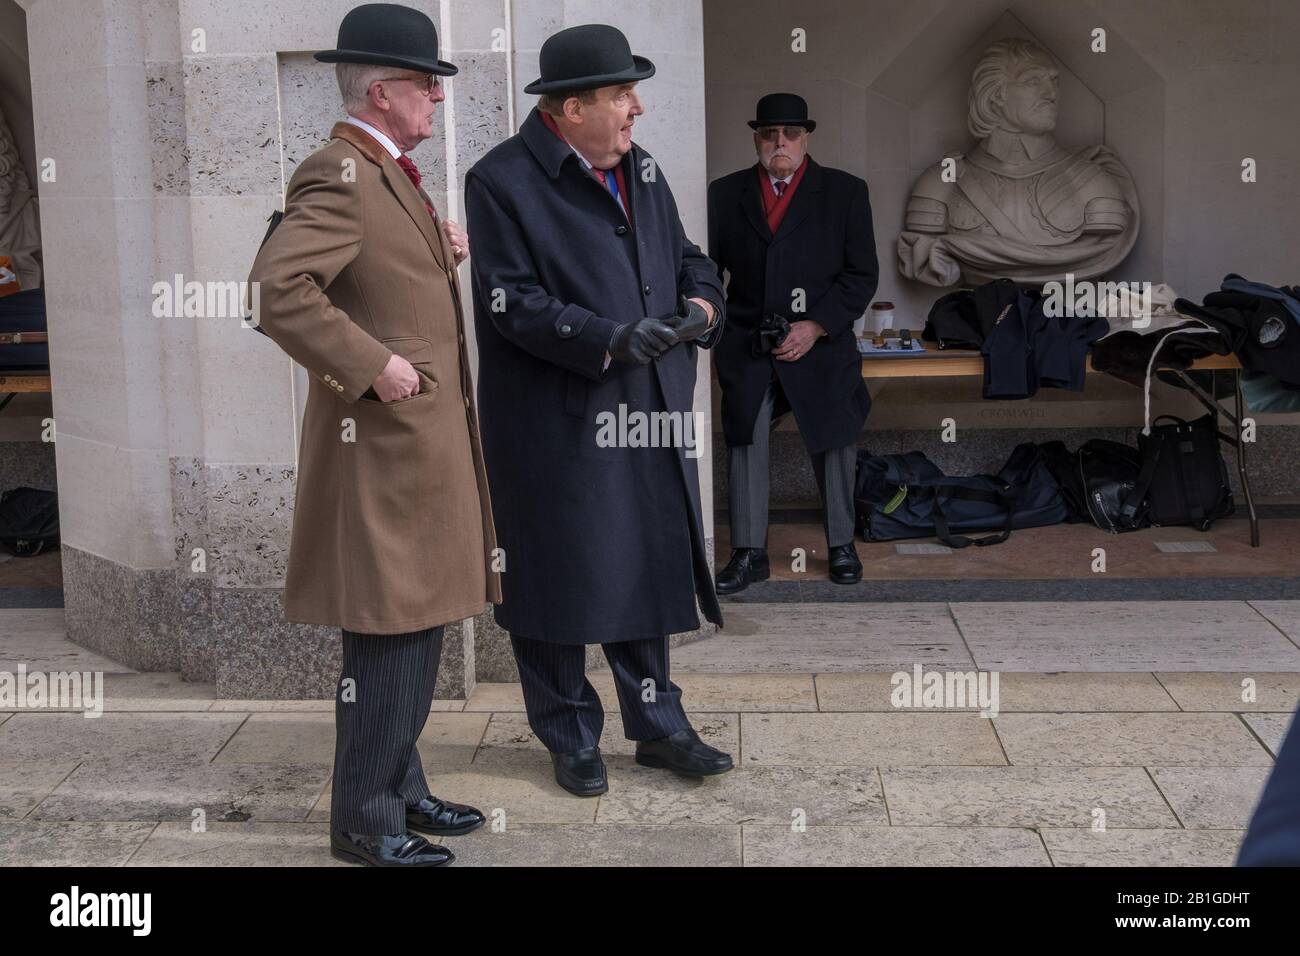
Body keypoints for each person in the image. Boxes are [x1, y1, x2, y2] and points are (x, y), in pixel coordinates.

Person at [248, 3, 498, 866]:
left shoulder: (384, 171)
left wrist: (439, 248)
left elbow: (368, 273)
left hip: (412, 452)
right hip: (385, 451)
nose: (437, 100)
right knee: (392, 635)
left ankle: (403, 787)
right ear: (386, 90)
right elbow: (279, 292)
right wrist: (376, 367)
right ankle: (365, 822)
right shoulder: (340, 171)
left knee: (412, 627)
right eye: (428, 86)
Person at [464, 23, 733, 797]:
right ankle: (569, 737)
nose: (636, 109)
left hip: (646, 409)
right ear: (569, 108)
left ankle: (659, 727)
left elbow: (688, 257)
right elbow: (510, 303)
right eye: (621, 95)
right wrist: (610, 337)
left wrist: (701, 304)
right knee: (553, 574)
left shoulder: (639, 169)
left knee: (644, 564)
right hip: (554, 419)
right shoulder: (501, 180)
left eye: (633, 92)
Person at [708, 92, 879, 592]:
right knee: (745, 436)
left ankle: (842, 545)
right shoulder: (724, 193)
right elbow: (706, 270)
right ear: (756, 137)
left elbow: (860, 275)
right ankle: (748, 552)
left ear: (805, 137)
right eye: (769, 133)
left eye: (790, 134)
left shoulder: (846, 192)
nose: (779, 142)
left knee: (835, 439)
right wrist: (709, 323)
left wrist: (817, 326)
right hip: (748, 342)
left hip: (822, 345)